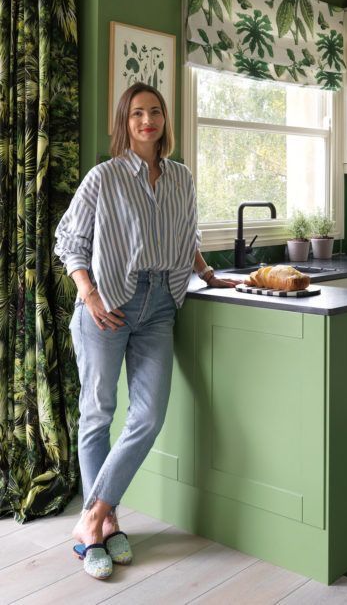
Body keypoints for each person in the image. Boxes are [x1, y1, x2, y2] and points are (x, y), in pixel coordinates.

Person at [54, 82, 235, 579]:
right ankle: (105, 525)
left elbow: (185, 235)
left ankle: (91, 516)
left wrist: (209, 273)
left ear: (164, 121)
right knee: (98, 414)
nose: (147, 121)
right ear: (124, 121)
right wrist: (89, 295)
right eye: (137, 113)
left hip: (160, 306)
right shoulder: (103, 177)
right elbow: (69, 241)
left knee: (148, 414)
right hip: (107, 304)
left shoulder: (180, 178)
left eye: (155, 112)